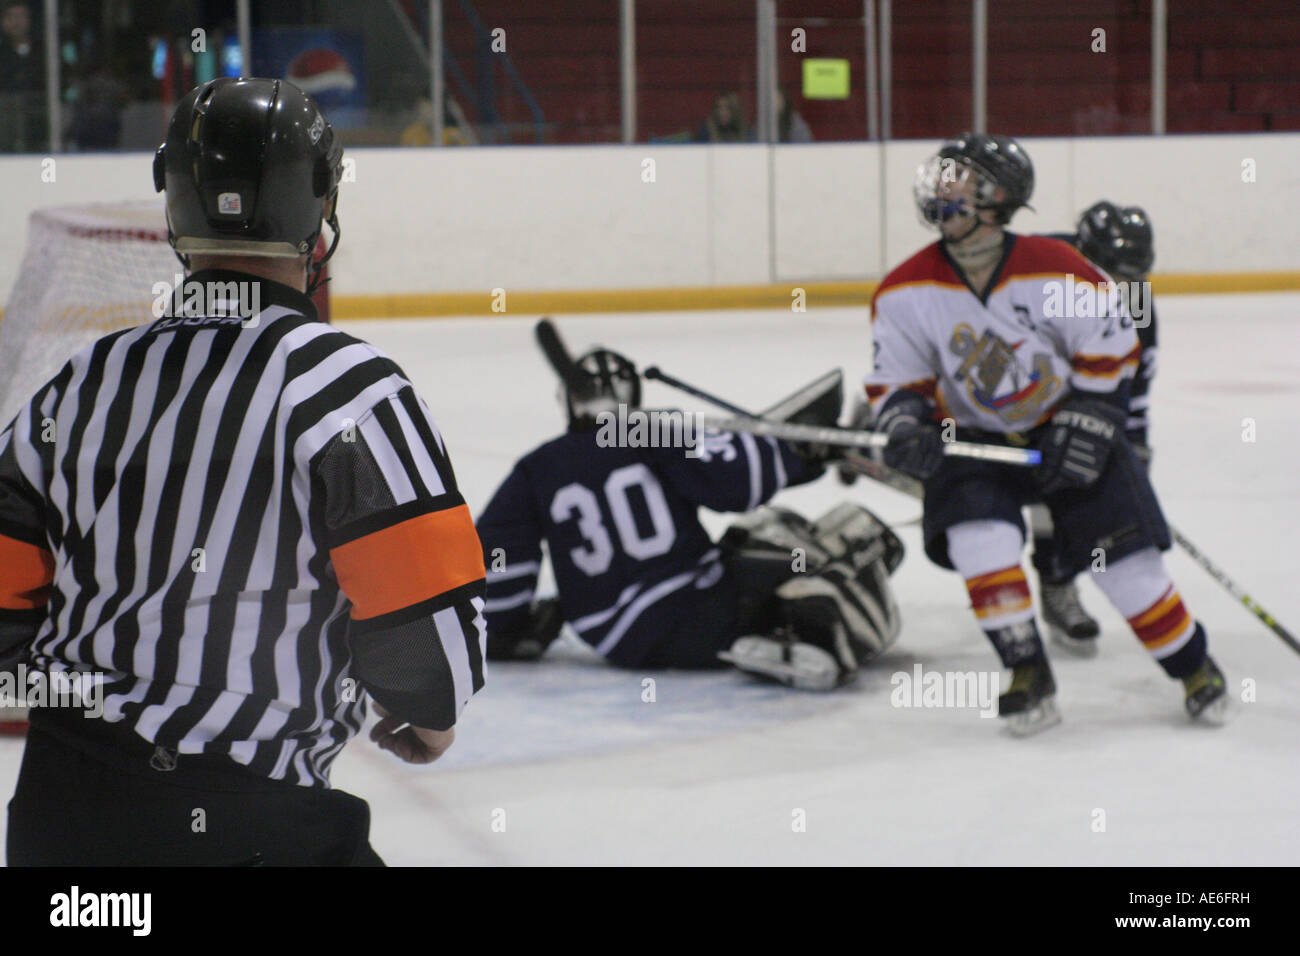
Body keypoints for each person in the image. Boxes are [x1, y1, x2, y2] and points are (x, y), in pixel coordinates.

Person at [0, 77, 487, 865]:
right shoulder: (350, 393)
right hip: (247, 829)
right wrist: (429, 712)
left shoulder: (85, 379)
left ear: (176, 207)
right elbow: (423, 630)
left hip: (63, 820)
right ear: (319, 211)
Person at [863, 132, 1226, 734]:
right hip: (976, 439)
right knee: (980, 539)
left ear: (1000, 197)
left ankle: (1193, 666)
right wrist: (904, 421)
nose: (944, 188)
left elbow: (1111, 352)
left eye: (965, 179)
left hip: (1064, 428)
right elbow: (900, 380)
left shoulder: (1058, 270)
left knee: (1126, 568)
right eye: (944, 176)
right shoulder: (903, 291)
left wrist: (1088, 421)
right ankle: (1026, 669)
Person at [475, 347, 903, 691]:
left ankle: (772, 635)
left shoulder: (536, 468)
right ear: (633, 398)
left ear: (568, 402)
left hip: (612, 638)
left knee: (749, 548)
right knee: (807, 542)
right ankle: (810, 632)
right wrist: (803, 454)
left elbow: (498, 548)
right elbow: (736, 482)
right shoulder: (651, 431)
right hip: (702, 612)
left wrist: (510, 627)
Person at [1028, 201, 1159, 654]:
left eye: (1133, 277)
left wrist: (1135, 445)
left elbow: (1135, 384)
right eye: (1115, 273)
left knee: (1065, 483)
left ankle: (1056, 581)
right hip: (1011, 392)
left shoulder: (1135, 301)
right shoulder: (1040, 270)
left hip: (1078, 403)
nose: (1123, 288)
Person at [0, 1, 44, 152]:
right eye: (11, 17)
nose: (16, 22)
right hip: (6, 121)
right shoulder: (2, 54)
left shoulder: (43, 52)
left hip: (38, 119)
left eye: (21, 16)